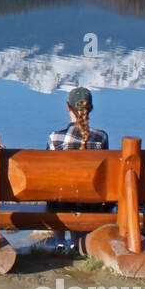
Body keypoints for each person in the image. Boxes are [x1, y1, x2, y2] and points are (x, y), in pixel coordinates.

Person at [46, 87, 110, 256]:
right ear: (90, 109)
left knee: (56, 190)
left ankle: (60, 242)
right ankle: (76, 241)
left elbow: (47, 173)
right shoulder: (101, 138)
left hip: (61, 202)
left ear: (68, 107)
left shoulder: (55, 138)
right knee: (83, 192)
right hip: (90, 202)